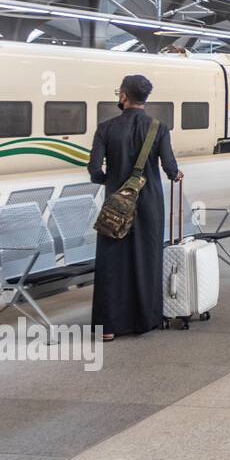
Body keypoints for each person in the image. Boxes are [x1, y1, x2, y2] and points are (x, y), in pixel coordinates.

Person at [88, 74, 182, 341]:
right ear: (145, 98)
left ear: (123, 96)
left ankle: (108, 327)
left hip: (116, 204)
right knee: (146, 258)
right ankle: (145, 320)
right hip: (149, 202)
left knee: (111, 262)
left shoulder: (105, 128)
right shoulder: (158, 128)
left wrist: (113, 181)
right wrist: (177, 175)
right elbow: (170, 168)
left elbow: (94, 170)